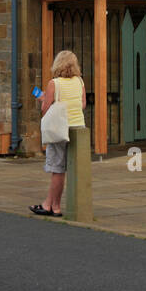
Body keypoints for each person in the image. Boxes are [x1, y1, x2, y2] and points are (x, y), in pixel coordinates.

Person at [30, 50, 87, 217]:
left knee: (57, 169)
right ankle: (54, 206)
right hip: (78, 127)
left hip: (60, 129)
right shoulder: (80, 81)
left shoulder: (54, 83)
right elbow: (82, 104)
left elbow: (45, 109)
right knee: (64, 169)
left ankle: (49, 205)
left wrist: (44, 98)